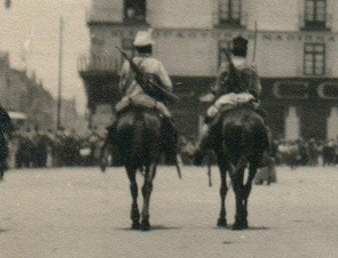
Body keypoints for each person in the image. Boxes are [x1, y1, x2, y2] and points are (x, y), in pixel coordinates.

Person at [194, 35, 266, 162]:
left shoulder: (225, 66)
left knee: (209, 118)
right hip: (247, 98)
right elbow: (257, 89)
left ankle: (199, 148)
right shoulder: (251, 67)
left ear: (233, 51)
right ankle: (264, 148)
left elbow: (218, 88)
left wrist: (216, 93)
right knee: (262, 118)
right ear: (245, 52)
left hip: (227, 98)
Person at [113, 31, 180, 162]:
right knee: (169, 120)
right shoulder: (155, 64)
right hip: (150, 101)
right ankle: (171, 151)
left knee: (114, 120)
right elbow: (168, 86)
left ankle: (110, 146)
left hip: (129, 101)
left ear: (136, 48)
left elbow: (121, 87)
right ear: (150, 48)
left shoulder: (126, 64)